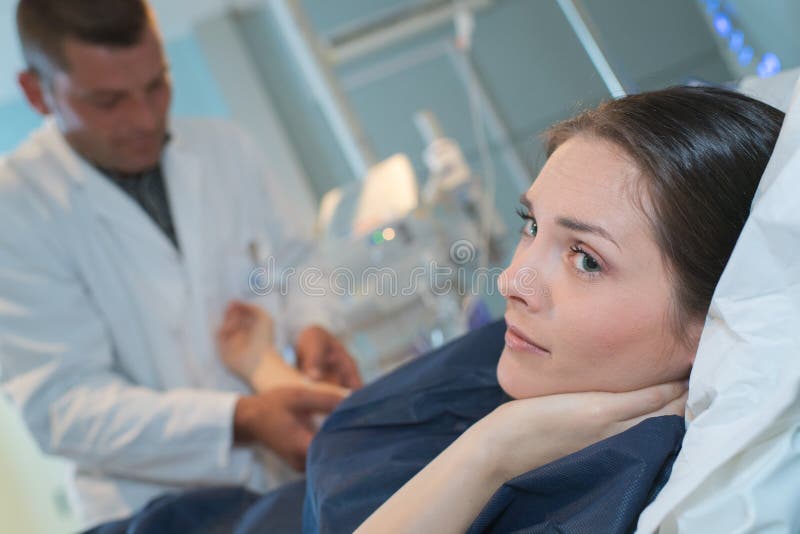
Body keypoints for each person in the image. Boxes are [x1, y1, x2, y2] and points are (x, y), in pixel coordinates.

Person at [215, 86, 785, 533]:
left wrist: (492, 450)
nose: (512, 280)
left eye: (586, 259)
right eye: (531, 226)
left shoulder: (617, 498)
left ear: (713, 315)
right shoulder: (537, 358)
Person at [0, 0, 361, 528]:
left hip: (291, 483)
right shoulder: (17, 209)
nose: (146, 119)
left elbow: (298, 260)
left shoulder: (226, 149)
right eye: (108, 102)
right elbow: (64, 405)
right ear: (38, 93)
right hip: (150, 512)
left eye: (157, 86)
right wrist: (239, 421)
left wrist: (313, 326)